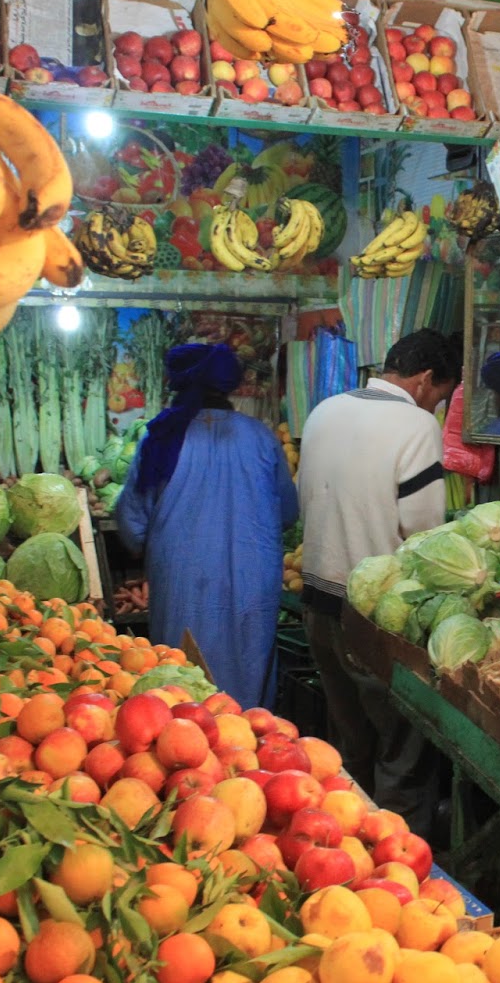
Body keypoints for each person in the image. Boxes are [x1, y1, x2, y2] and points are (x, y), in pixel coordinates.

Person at [296, 329, 461, 838]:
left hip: (317, 605)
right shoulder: (416, 424)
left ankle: (343, 846)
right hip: (372, 622)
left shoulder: (324, 410)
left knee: (351, 747)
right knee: (401, 757)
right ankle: (396, 856)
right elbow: (424, 532)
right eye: (441, 396)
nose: (436, 407)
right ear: (425, 380)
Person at [115, 343, 298, 707]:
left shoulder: (162, 437)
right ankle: (248, 738)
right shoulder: (261, 437)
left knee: (180, 683)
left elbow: (132, 523)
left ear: (178, 384)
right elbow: (288, 512)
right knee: (248, 677)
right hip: (251, 581)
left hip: (182, 582)